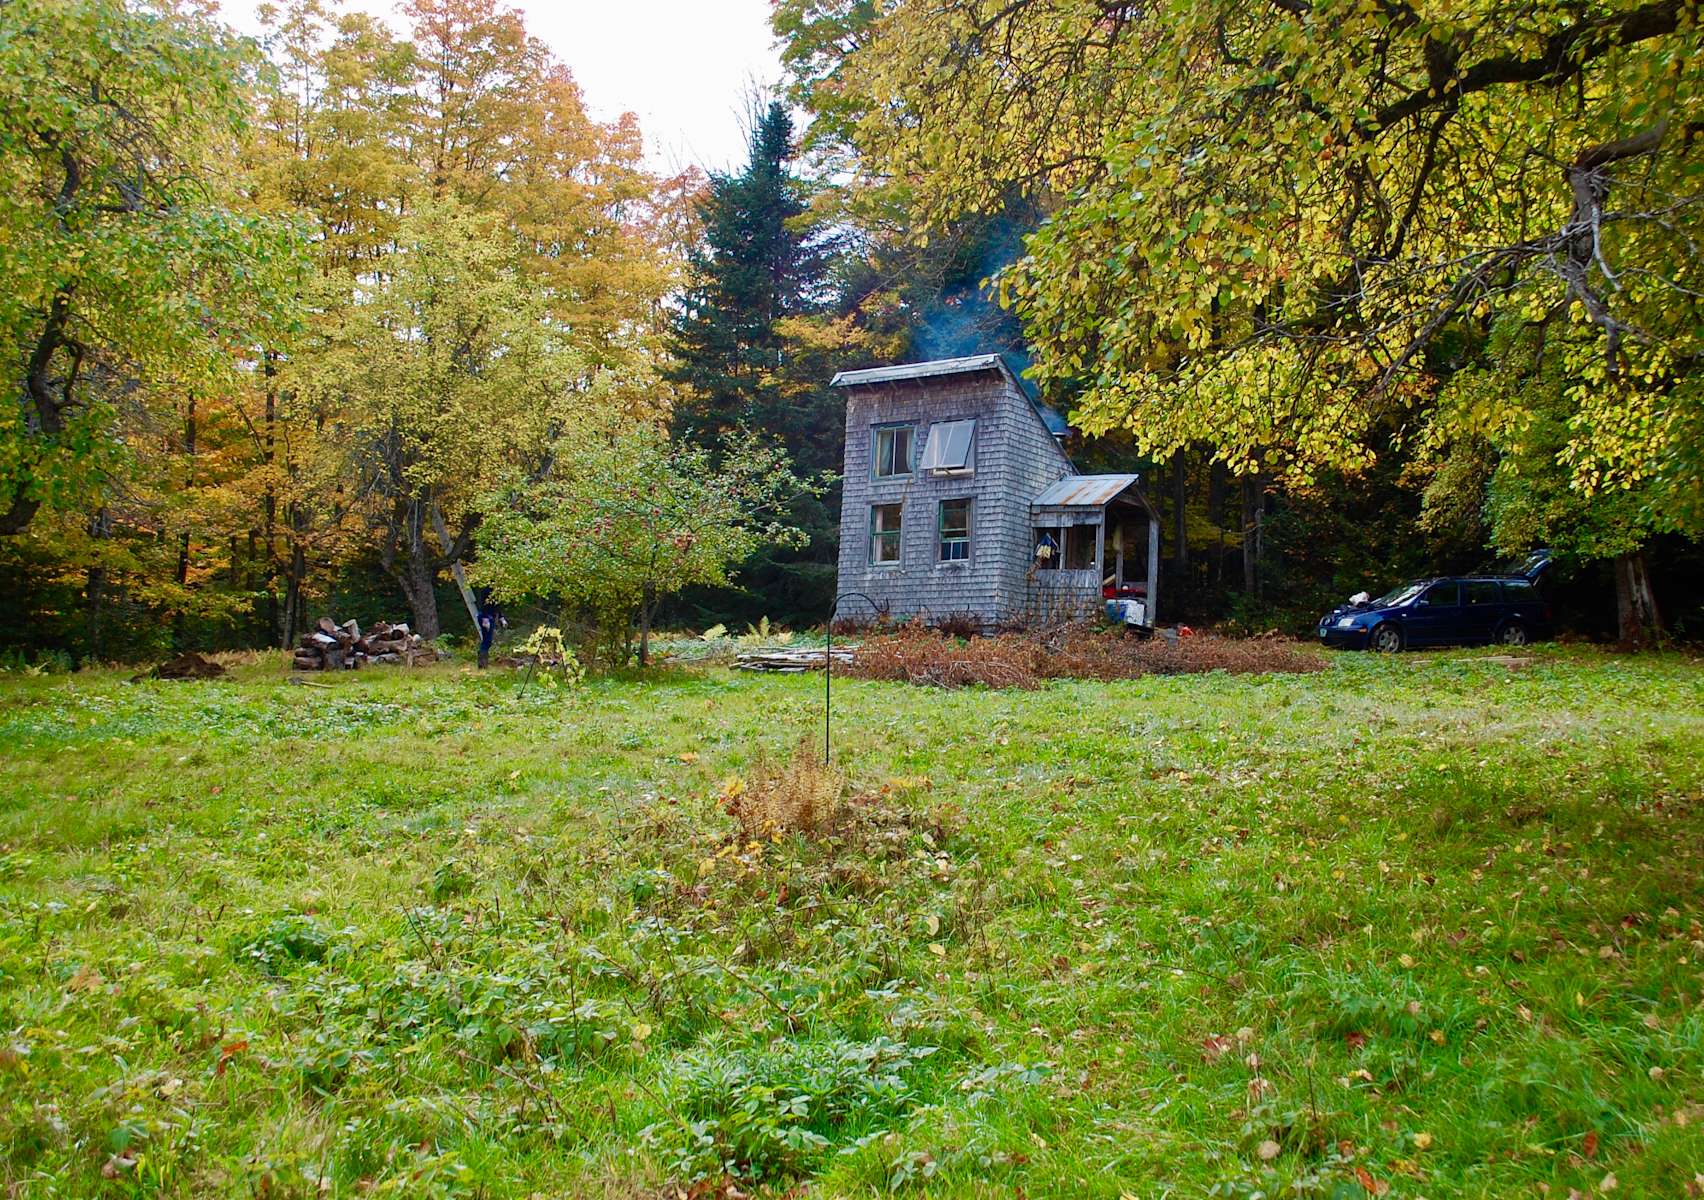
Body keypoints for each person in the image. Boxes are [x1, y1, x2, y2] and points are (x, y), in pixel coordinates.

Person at [475, 588, 504, 668]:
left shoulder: (497, 591)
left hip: (489, 616)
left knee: (487, 640)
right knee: (487, 640)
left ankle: (483, 662)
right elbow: (484, 604)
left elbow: (497, 606)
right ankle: (482, 663)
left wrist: (501, 617)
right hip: (486, 617)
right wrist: (485, 618)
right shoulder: (487, 590)